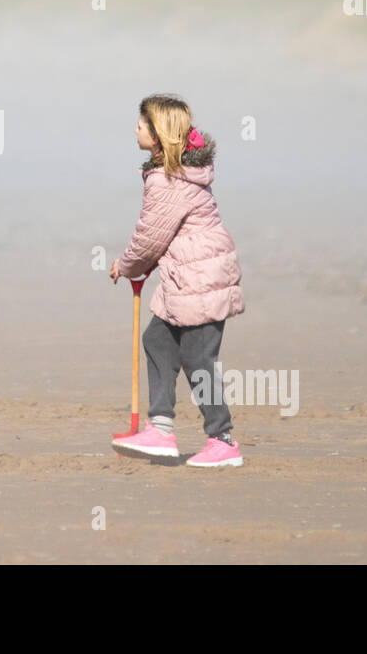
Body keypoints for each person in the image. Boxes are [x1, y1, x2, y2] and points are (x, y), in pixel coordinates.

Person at [109, 94, 245, 467]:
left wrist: (126, 265)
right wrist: (147, 264)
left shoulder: (170, 180)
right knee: (157, 339)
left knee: (198, 357)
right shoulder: (172, 173)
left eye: (141, 124)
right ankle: (161, 429)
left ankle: (223, 440)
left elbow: (150, 235)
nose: (135, 129)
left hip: (201, 279)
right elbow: (164, 236)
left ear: (157, 134)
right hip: (186, 277)